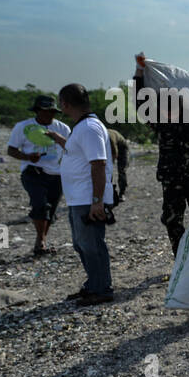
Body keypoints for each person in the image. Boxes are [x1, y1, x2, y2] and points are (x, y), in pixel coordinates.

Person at [136, 56, 189, 256]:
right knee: (172, 219)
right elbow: (140, 102)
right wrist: (139, 72)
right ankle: (181, 258)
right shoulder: (161, 122)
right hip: (171, 177)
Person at [50, 84, 115, 305]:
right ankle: (93, 284)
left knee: (92, 245)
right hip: (79, 197)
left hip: (89, 198)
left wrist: (97, 201)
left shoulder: (88, 128)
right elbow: (79, 153)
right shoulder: (82, 127)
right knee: (81, 244)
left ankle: (102, 288)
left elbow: (98, 164)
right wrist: (59, 139)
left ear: (65, 103)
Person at [7, 96, 71, 256]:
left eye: (52, 112)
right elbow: (11, 150)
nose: (49, 115)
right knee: (40, 204)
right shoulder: (23, 127)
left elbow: (71, 150)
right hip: (33, 172)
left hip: (57, 174)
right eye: (45, 111)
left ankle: (41, 238)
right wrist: (28, 157)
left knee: (51, 209)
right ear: (37, 111)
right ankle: (40, 241)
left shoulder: (63, 128)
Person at [104, 126, 130, 207]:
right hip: (111, 149)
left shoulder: (110, 137)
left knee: (121, 171)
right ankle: (108, 194)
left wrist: (109, 167)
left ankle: (122, 193)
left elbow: (115, 153)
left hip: (122, 147)